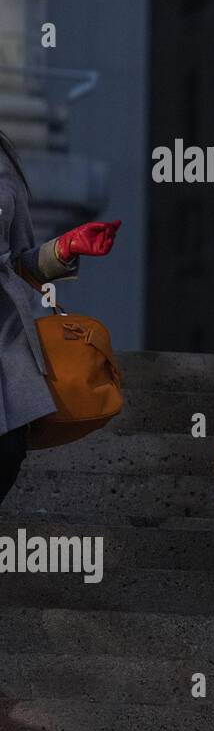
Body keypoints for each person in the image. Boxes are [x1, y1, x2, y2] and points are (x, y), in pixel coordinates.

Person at [0, 129, 120, 506]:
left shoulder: (4, 162)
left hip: (4, 341)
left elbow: (21, 261)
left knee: (7, 451)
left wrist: (66, 248)